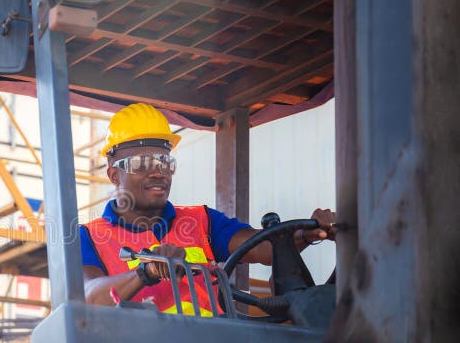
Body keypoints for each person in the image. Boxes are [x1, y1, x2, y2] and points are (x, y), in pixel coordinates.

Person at [80, 103, 335, 315]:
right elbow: (88, 296)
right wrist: (146, 272)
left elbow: (266, 247)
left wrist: (307, 234)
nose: (158, 171)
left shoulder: (202, 220)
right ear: (114, 175)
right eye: (141, 163)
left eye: (164, 162)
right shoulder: (89, 237)